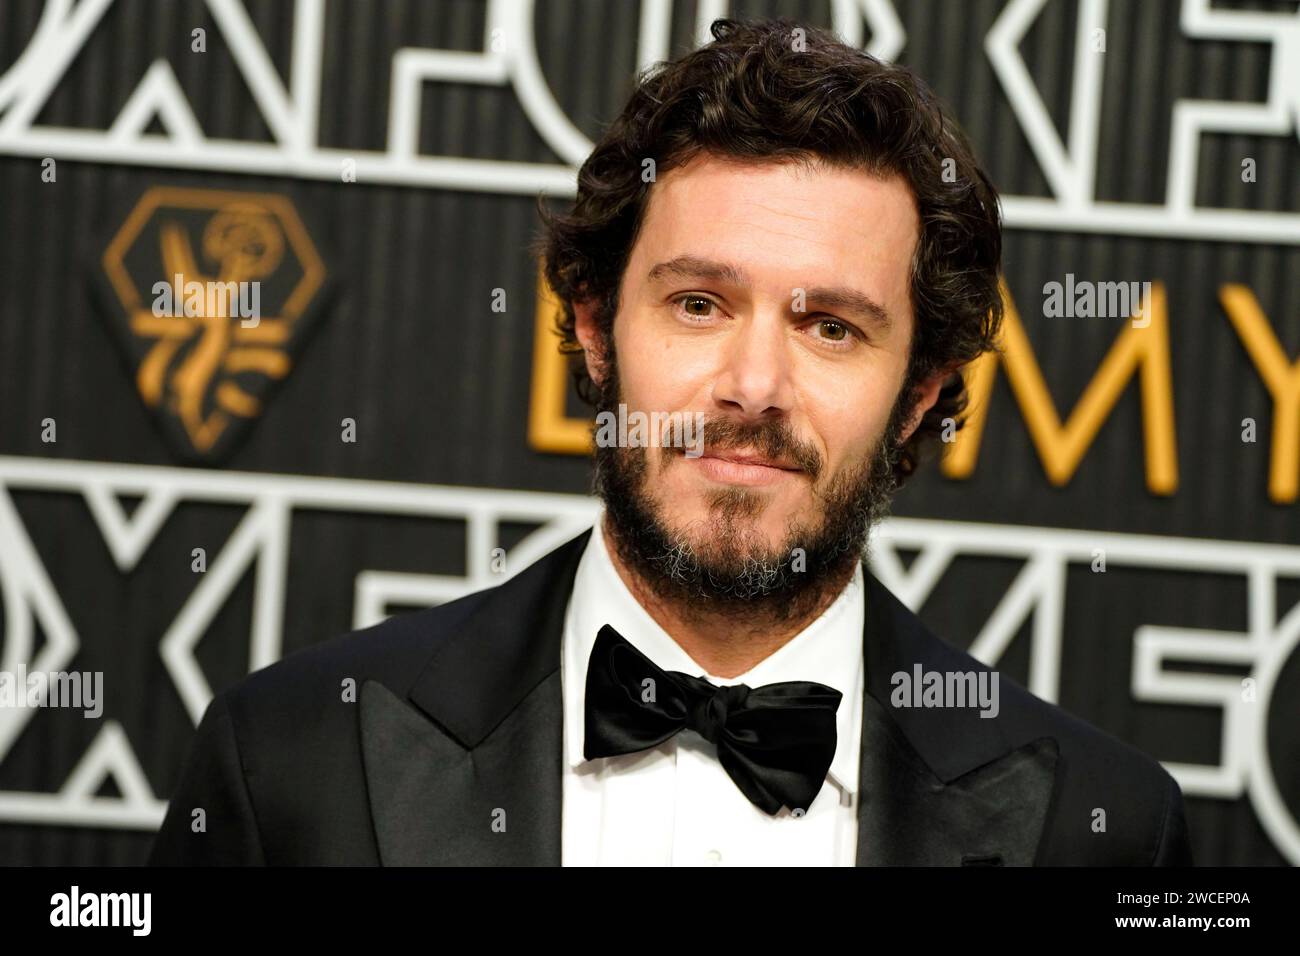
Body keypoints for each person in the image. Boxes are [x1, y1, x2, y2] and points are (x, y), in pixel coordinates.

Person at [149, 17, 1191, 866]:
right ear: (598, 328)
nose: (753, 386)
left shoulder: (1105, 833)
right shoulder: (290, 758)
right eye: (698, 302)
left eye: (830, 326)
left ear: (918, 394)